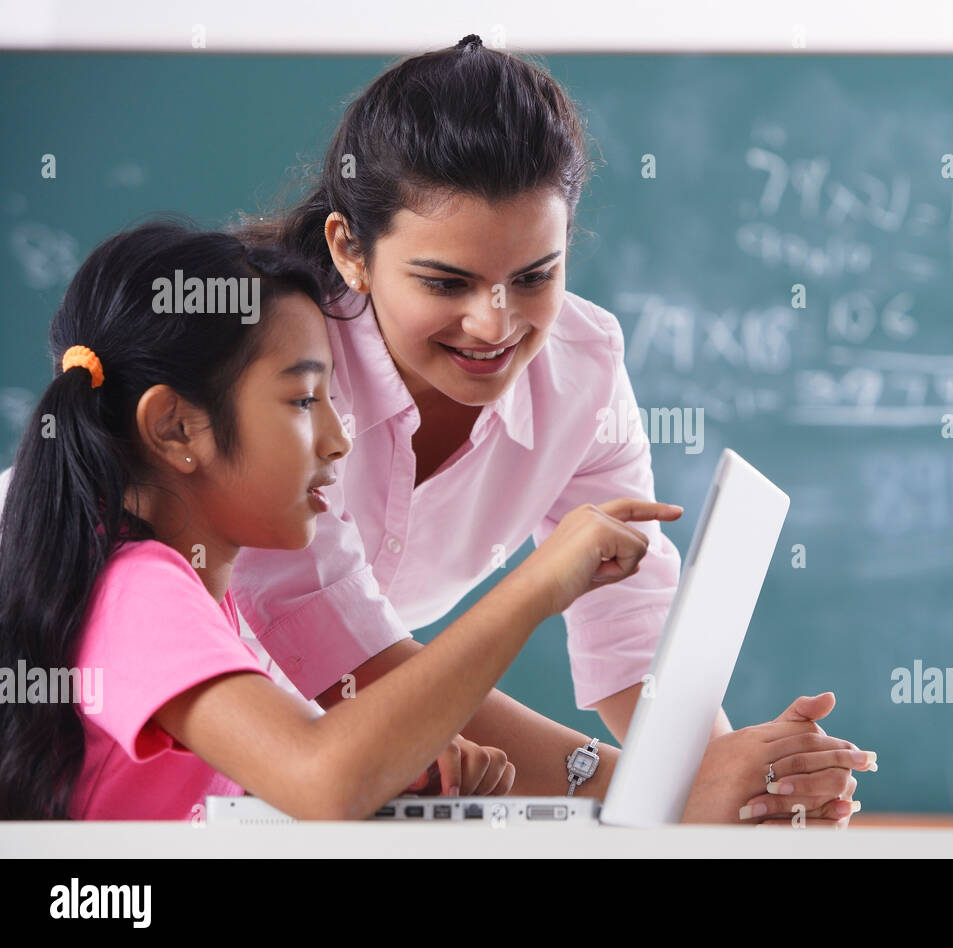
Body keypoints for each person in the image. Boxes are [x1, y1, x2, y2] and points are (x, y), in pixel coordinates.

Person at [0, 221, 867, 822]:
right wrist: (535, 587)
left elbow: (301, 768)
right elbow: (319, 777)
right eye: (305, 400)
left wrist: (402, 770)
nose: (339, 439)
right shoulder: (139, 588)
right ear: (175, 428)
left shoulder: (186, 592)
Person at [234, 35, 875, 823]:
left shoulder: (583, 368)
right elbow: (356, 671)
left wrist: (743, 790)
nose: (494, 324)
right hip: (140, 748)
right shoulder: (273, 369)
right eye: (446, 281)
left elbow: (633, 637)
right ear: (350, 250)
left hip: (333, 773)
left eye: (535, 276)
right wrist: (659, 794)